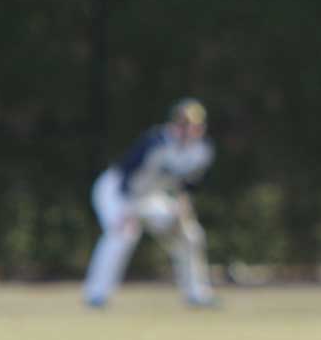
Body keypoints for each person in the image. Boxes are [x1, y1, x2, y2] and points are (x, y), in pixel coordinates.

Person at [82, 97, 219, 309]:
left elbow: (186, 186)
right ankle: (96, 295)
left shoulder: (201, 151)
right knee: (123, 234)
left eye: (193, 126)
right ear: (175, 124)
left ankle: (197, 294)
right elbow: (128, 176)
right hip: (116, 191)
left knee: (190, 234)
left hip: (151, 197)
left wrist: (182, 210)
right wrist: (127, 211)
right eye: (184, 124)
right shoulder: (155, 142)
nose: (188, 130)